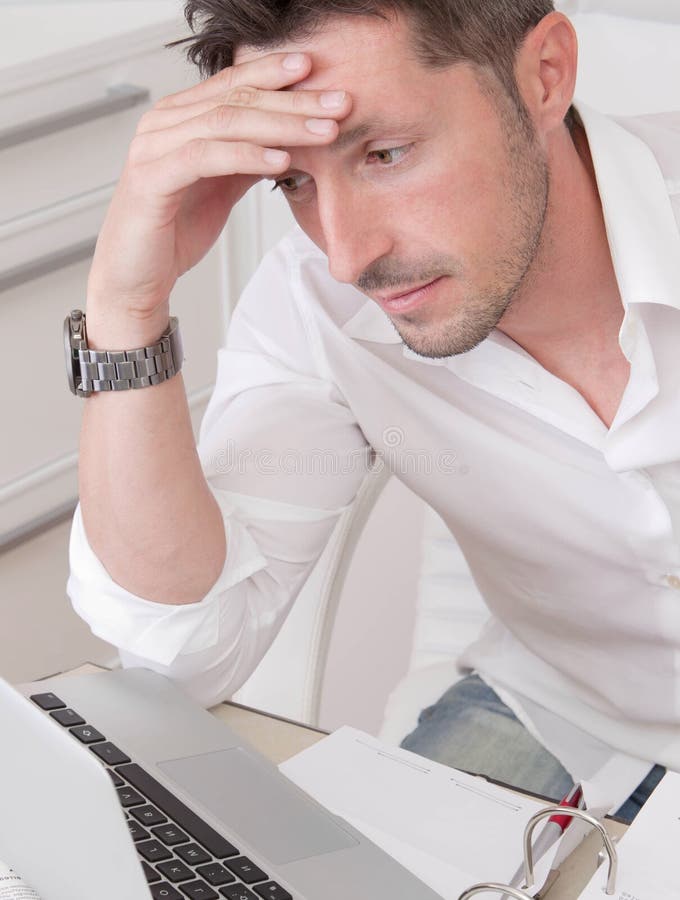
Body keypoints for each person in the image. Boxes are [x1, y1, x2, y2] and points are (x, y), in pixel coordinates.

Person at [67, 0, 680, 823]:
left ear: (544, 75)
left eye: (386, 153)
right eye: (294, 181)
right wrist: (124, 307)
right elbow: (179, 656)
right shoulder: (316, 306)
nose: (349, 254)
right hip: (559, 711)